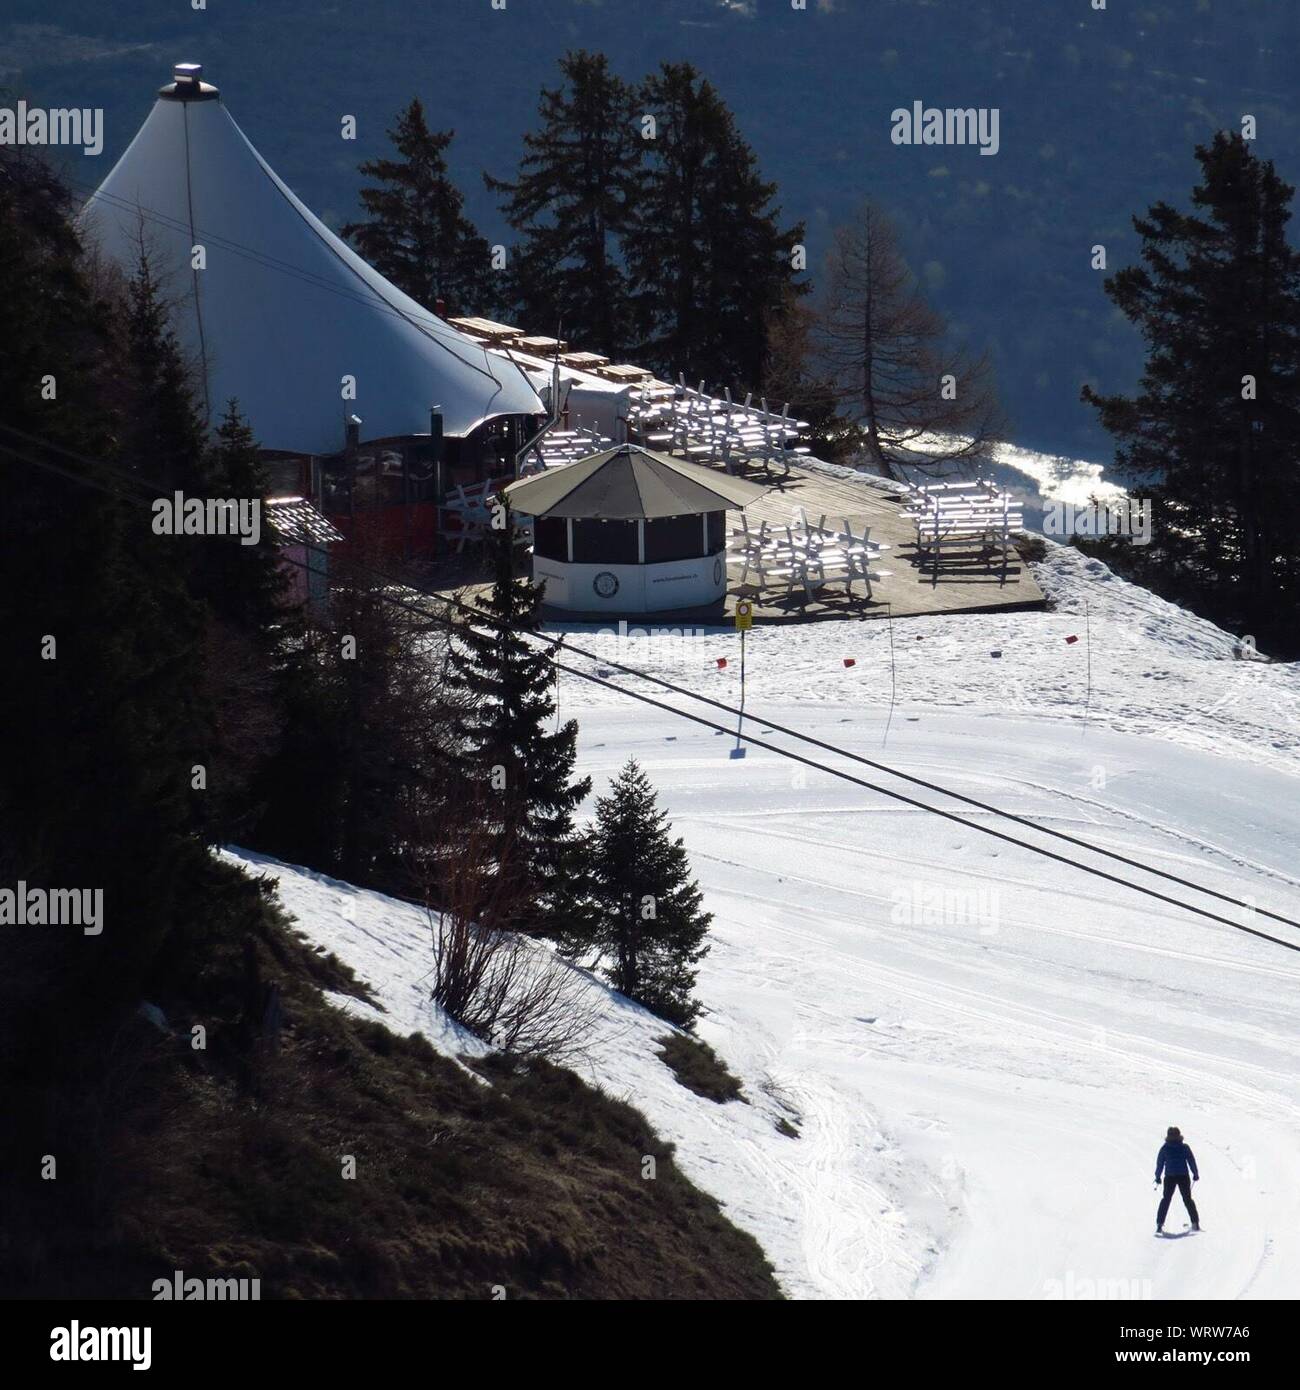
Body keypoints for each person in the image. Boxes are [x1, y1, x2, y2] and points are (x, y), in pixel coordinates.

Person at [1154, 1126, 1200, 1233]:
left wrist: (1157, 1177)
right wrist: (1195, 1173)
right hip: (1183, 1176)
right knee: (1187, 1199)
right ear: (1179, 1136)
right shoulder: (1184, 1147)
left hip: (1170, 1177)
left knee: (1166, 1199)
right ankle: (1195, 1223)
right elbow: (1191, 1161)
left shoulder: (1165, 1148)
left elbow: (1160, 1164)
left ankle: (1159, 1224)